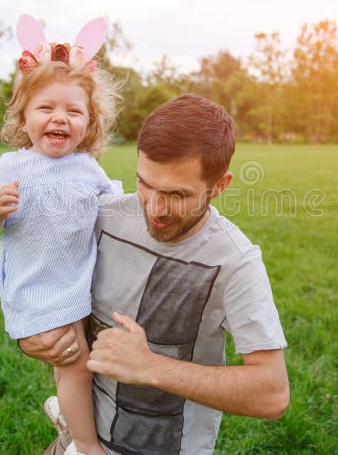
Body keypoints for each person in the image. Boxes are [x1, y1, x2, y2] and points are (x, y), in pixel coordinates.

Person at [21, 94, 290, 454]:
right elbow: (46, 292)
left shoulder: (235, 262)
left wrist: (150, 367)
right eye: (145, 184)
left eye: (177, 194)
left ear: (219, 186)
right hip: (79, 441)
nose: (155, 208)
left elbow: (272, 394)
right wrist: (31, 341)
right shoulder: (102, 218)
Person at [0, 17, 121, 455]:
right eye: (46, 108)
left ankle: (68, 414)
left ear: (89, 123)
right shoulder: (12, 166)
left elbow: (113, 210)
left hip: (79, 282)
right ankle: (86, 445)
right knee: (75, 365)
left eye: (73, 111)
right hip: (37, 288)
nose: (59, 118)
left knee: (85, 362)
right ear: (24, 115)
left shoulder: (87, 168)